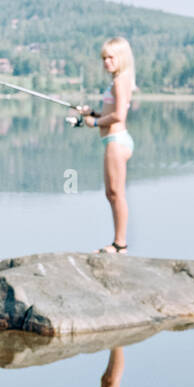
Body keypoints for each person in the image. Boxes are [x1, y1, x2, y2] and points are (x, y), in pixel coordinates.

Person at [75, 37, 136, 254]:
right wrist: (92, 113)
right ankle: (119, 243)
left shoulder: (121, 81)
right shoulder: (119, 80)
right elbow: (111, 112)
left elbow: (119, 116)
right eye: (104, 58)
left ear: (122, 57)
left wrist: (95, 122)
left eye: (111, 57)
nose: (106, 62)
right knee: (112, 194)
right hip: (114, 141)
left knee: (116, 194)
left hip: (116, 142)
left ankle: (120, 244)